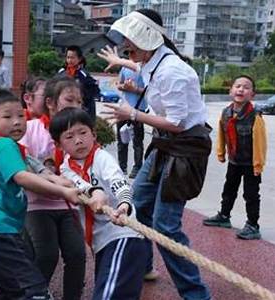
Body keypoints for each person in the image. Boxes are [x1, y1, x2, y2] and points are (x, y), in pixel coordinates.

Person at [98, 9, 211, 299]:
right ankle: (146, 265)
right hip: (165, 146)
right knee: (138, 205)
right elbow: (142, 69)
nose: (126, 46)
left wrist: (131, 113)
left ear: (147, 39)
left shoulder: (173, 71)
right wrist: (119, 61)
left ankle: (196, 293)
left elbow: (176, 122)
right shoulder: (153, 60)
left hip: (184, 150)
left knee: (166, 225)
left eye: (129, 43)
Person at [0, 88, 81, 300]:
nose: (17, 122)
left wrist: (63, 182)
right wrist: (63, 192)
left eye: (21, 116)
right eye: (7, 116)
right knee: (33, 290)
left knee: (11, 288)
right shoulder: (4, 145)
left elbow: (41, 171)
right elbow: (22, 177)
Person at [50, 107, 151, 300]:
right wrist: (95, 192)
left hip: (122, 236)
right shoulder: (65, 168)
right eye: (69, 137)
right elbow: (77, 185)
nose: (78, 140)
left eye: (83, 133)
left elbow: (119, 182)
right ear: (59, 145)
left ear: (93, 134)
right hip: (102, 243)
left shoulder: (102, 158)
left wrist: (124, 205)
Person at [20, 76, 86, 300]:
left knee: (77, 254)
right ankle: (35, 295)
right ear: (50, 103)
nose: (76, 106)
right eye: (70, 100)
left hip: (68, 204)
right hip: (36, 205)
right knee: (46, 255)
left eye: (79, 102)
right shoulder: (30, 129)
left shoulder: (81, 135)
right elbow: (21, 165)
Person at [203, 75, 267, 240]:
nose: (241, 89)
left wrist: (258, 164)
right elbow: (221, 135)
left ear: (252, 94)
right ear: (231, 90)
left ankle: (253, 225)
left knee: (251, 194)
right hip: (234, 160)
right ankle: (224, 216)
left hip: (251, 163)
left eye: (246, 87)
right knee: (229, 189)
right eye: (237, 86)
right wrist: (220, 153)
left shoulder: (255, 116)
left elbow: (260, 143)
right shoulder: (226, 112)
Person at [116, 66, 147, 178]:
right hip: (123, 108)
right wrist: (124, 86)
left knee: (137, 141)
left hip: (138, 109)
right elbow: (118, 85)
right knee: (121, 140)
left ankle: (137, 167)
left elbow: (149, 90)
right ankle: (121, 167)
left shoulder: (144, 69)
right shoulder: (124, 68)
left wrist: (135, 89)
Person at [58, 45, 100, 120]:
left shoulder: (83, 75)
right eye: (68, 57)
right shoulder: (61, 72)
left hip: (81, 111)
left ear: (79, 59)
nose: (70, 60)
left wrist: (81, 100)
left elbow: (95, 91)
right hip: (64, 110)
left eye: (72, 58)